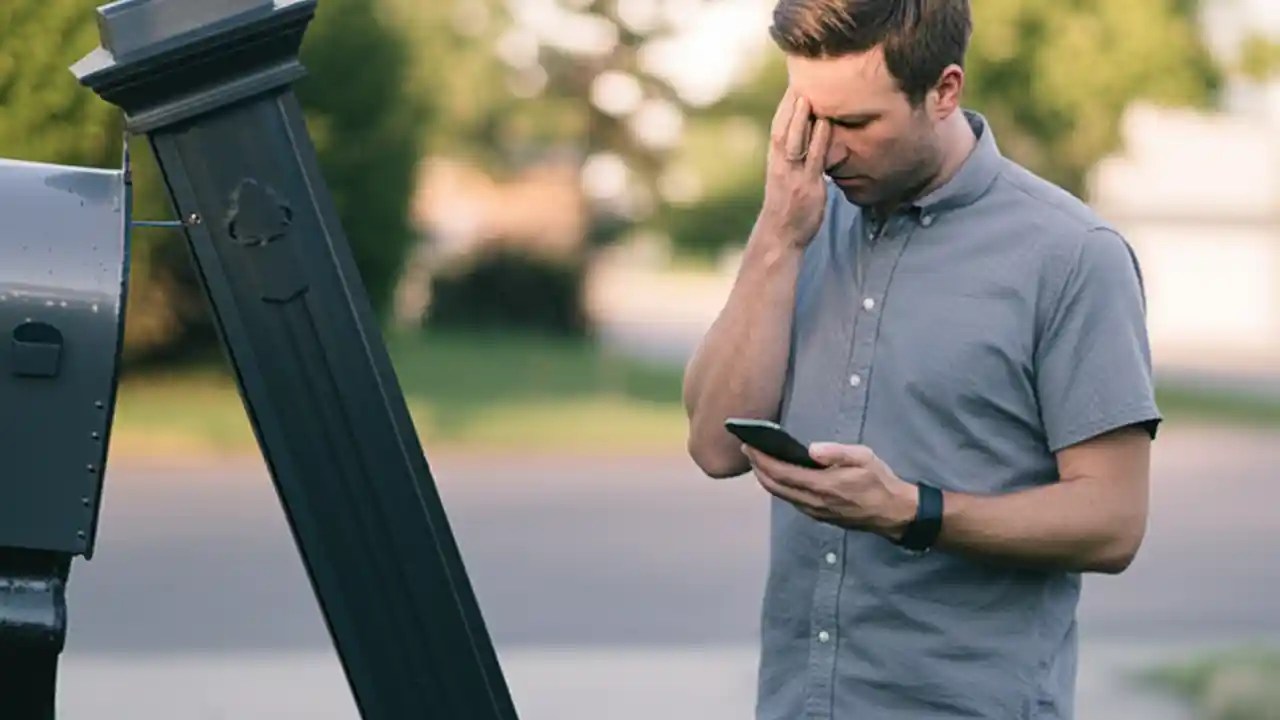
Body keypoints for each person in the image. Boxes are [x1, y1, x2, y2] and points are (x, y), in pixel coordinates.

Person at [680, 1, 1163, 718]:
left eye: (854, 124)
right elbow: (715, 445)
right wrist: (779, 236)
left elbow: (1113, 519)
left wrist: (913, 512)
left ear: (944, 91)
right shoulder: (800, 218)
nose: (827, 151)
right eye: (811, 119)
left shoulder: (1073, 257)